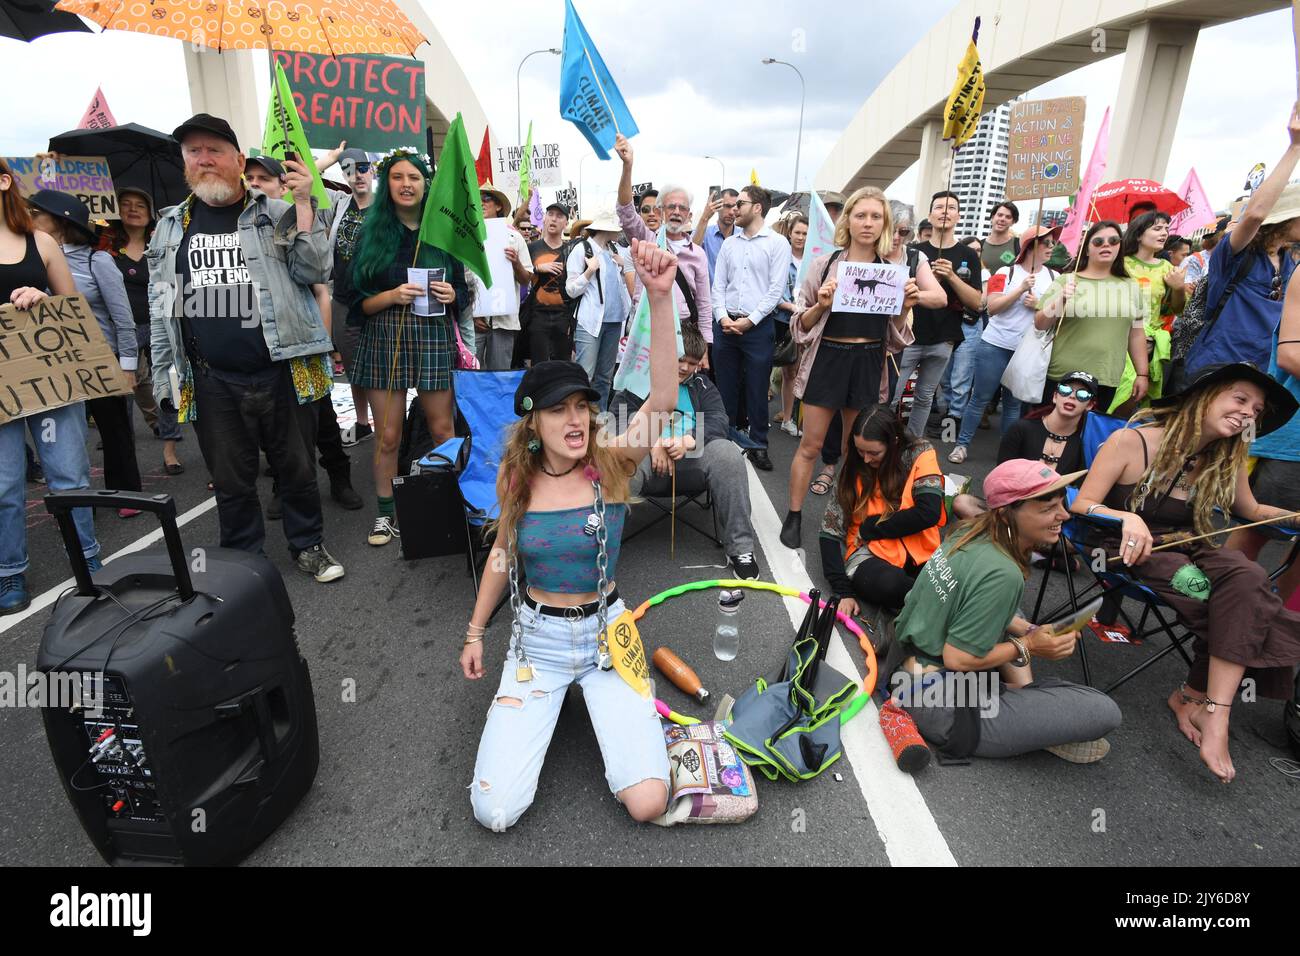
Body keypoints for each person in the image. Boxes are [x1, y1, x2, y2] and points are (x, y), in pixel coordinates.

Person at [460, 239, 680, 831]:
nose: (576, 420)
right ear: (534, 421)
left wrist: (660, 300)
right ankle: (552, 703)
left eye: (582, 406)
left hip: (609, 637)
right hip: (539, 644)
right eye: (559, 411)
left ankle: (610, 707)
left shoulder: (610, 463)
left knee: (648, 803)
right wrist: (476, 632)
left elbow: (661, 402)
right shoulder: (518, 480)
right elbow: (503, 556)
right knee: (494, 810)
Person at [1073, 362, 1300, 782]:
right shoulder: (1131, 441)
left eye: (1257, 408)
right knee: (1206, 592)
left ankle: (1206, 705)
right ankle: (1202, 701)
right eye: (1240, 398)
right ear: (1204, 397)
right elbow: (1082, 503)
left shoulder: (1225, 459)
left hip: (1192, 544)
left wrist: (1296, 517)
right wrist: (1126, 518)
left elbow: (1250, 512)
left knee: (1249, 580)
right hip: (1134, 548)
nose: (1249, 412)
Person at [147, 114, 344, 581]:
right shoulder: (170, 228)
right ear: (185, 164)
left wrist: (302, 204)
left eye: (214, 150)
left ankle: (308, 545)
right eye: (193, 152)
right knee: (231, 479)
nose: (204, 159)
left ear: (238, 160)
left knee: (296, 467)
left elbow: (316, 270)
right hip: (211, 377)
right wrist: (162, 377)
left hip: (280, 367)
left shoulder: (274, 214)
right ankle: (242, 560)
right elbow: (162, 308)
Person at [889, 459, 1122, 762]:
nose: (1063, 514)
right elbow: (957, 659)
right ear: (1006, 513)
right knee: (1104, 711)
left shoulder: (970, 530)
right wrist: (1029, 645)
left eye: (1061, 503)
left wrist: (1028, 631)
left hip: (907, 668)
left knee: (1018, 617)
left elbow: (962, 599)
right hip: (940, 703)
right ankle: (1031, 719)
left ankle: (1028, 711)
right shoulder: (1003, 573)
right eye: (1047, 507)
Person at [782, 187, 939, 548]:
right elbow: (800, 329)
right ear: (847, 220)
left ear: (884, 224)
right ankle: (794, 514)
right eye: (860, 215)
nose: (868, 223)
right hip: (828, 360)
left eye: (875, 217)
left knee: (859, 449)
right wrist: (821, 305)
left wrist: (904, 305)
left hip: (869, 362)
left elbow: (898, 339)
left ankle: (847, 518)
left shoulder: (894, 272)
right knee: (811, 444)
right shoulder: (823, 265)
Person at [348, 146, 471, 547]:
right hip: (385, 335)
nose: (406, 184)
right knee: (388, 436)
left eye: (414, 178)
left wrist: (453, 293)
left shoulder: (444, 234)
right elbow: (356, 303)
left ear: (425, 185)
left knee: (442, 429)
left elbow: (463, 298)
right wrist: (391, 295)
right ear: (388, 185)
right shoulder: (371, 233)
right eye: (398, 177)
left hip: (434, 334)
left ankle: (457, 503)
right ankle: (386, 514)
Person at [0, 158, 102, 614]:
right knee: (3, 486)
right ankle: (9, 573)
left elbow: (75, 310)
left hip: (50, 377)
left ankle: (89, 561)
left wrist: (43, 299)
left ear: (4, 182)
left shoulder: (39, 241)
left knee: (68, 476)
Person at [243, 156, 361, 513]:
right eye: (249, 177)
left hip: (304, 346)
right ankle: (283, 485)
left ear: (282, 185)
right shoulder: (242, 227)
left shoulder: (296, 221)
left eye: (263, 177)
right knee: (274, 429)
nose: (255, 183)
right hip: (262, 348)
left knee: (322, 421)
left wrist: (322, 347)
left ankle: (339, 477)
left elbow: (320, 290)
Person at [28, 190, 143, 515]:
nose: (31, 219)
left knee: (114, 429)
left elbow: (122, 317)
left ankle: (127, 495)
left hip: (102, 360)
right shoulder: (36, 261)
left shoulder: (98, 260)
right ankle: (76, 499)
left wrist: (128, 365)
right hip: (59, 364)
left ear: (62, 222)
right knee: (65, 434)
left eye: (38, 213)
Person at [614, 322, 760, 579]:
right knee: (621, 464)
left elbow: (719, 420)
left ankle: (741, 548)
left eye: (692, 363)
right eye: (680, 360)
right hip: (647, 461)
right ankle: (600, 549)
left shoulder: (702, 386)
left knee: (728, 454)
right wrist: (651, 443)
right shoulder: (637, 380)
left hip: (692, 461)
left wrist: (688, 441)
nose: (685, 368)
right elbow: (615, 420)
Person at [1187, 106, 1300, 376]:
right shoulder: (1236, 253)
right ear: (1283, 219)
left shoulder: (1289, 264)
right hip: (1217, 369)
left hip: (1263, 375)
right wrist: (1295, 148)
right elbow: (1256, 214)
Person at [820, 405, 946, 619]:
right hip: (868, 554)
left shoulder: (921, 452)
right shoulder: (851, 470)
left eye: (874, 452)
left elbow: (929, 513)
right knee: (894, 585)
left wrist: (870, 527)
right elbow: (828, 533)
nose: (866, 459)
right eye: (860, 451)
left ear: (894, 442)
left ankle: (908, 618)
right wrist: (843, 591)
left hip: (920, 549)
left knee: (955, 583)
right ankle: (923, 617)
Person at [949, 224, 1061, 463]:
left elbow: (1057, 314)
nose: (1052, 247)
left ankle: (1007, 453)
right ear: (1031, 245)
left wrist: (1038, 304)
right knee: (979, 398)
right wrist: (1020, 289)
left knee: (1013, 404)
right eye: (1047, 242)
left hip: (1026, 350)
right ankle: (961, 445)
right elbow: (992, 307)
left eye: (1053, 243)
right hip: (995, 345)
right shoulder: (1005, 272)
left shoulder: (1055, 278)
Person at [1226, 272, 1300, 604]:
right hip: (1292, 440)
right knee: (1256, 529)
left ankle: (1272, 622)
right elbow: (1290, 356)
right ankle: (1214, 614)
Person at [101, 186, 184, 475]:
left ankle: (170, 448)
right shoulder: (104, 246)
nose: (133, 209)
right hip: (122, 328)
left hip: (161, 321)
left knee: (167, 385)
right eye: (126, 204)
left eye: (140, 204)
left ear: (151, 213)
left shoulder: (163, 241)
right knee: (123, 390)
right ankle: (125, 453)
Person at [710, 184, 792, 471]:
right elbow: (717, 285)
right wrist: (722, 317)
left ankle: (758, 444)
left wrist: (750, 320)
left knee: (758, 389)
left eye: (739, 204)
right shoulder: (730, 243)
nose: (733, 209)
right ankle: (724, 441)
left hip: (757, 328)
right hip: (726, 324)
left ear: (757, 207)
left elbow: (775, 290)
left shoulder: (778, 243)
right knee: (725, 387)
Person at [891, 191, 984, 438]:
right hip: (907, 337)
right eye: (939, 207)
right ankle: (884, 446)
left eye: (951, 207)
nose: (945, 211)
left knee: (924, 398)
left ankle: (912, 447)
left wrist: (952, 277)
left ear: (959, 216)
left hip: (943, 338)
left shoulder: (968, 255)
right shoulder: (912, 251)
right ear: (930, 215)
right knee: (891, 395)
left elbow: (977, 303)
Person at [1033, 220, 1149, 412]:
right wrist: (1060, 300)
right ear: (1086, 250)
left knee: (1088, 438)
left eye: (1113, 241)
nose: (1106, 245)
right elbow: (1040, 324)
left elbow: (1136, 333)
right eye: (1098, 242)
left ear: (1119, 247)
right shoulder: (1066, 280)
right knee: (1050, 434)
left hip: (1105, 378)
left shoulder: (1132, 287)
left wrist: (1142, 374)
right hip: (1062, 375)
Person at [614, 134, 712, 355]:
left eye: (682, 208)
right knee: (643, 390)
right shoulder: (646, 240)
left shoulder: (697, 254)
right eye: (671, 207)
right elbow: (626, 212)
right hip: (645, 330)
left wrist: (704, 349)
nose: (677, 212)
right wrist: (628, 166)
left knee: (676, 388)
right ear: (661, 212)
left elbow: (705, 304)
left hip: (684, 334)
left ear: (689, 215)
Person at [325, 148, 377, 447]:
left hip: (378, 302)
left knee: (378, 367)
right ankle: (362, 422)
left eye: (361, 167)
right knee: (354, 367)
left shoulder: (388, 208)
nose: (356, 174)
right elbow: (299, 180)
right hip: (344, 301)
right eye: (347, 168)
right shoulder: (339, 204)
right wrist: (333, 156)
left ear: (372, 170)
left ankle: (387, 425)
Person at [565, 210, 631, 410]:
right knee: (585, 375)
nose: (618, 234)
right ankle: (580, 416)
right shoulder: (582, 250)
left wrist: (620, 267)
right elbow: (571, 290)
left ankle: (599, 419)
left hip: (614, 322)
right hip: (590, 322)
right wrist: (589, 271)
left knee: (605, 377)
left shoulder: (614, 251)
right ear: (606, 230)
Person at [471, 182, 533, 371]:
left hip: (504, 321)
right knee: (471, 373)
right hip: (474, 321)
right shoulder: (467, 236)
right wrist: (472, 314)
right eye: (477, 200)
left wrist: (515, 263)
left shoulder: (514, 238)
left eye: (486, 199)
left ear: (498, 206)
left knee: (499, 376)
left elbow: (526, 279)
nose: (481, 203)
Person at [520, 202, 575, 364]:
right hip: (538, 315)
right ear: (544, 219)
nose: (554, 219)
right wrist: (538, 268)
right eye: (550, 214)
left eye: (559, 216)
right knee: (539, 365)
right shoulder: (531, 248)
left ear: (566, 223)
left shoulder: (571, 251)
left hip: (563, 316)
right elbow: (521, 277)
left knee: (562, 366)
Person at [771, 212, 806, 435]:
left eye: (805, 233)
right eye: (797, 233)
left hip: (806, 323)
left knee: (797, 371)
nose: (801, 237)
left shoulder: (815, 259)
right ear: (789, 233)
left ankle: (791, 417)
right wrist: (795, 309)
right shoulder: (780, 256)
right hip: (781, 321)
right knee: (780, 369)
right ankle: (784, 417)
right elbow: (776, 294)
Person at [693, 187, 740, 282]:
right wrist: (705, 217)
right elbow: (691, 253)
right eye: (727, 206)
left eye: (735, 207)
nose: (731, 212)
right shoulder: (704, 233)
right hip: (710, 295)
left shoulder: (743, 235)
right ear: (718, 206)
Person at [981, 200, 1020, 272]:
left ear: (1013, 222)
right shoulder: (979, 245)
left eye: (1008, 217)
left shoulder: (1019, 245)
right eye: (1000, 215)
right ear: (992, 217)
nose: (1002, 219)